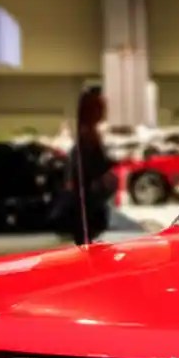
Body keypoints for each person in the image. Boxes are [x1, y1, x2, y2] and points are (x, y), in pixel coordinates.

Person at [63, 87, 117, 244]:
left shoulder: (86, 132)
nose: (104, 110)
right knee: (85, 232)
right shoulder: (88, 135)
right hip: (87, 196)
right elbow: (93, 165)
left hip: (85, 196)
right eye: (100, 107)